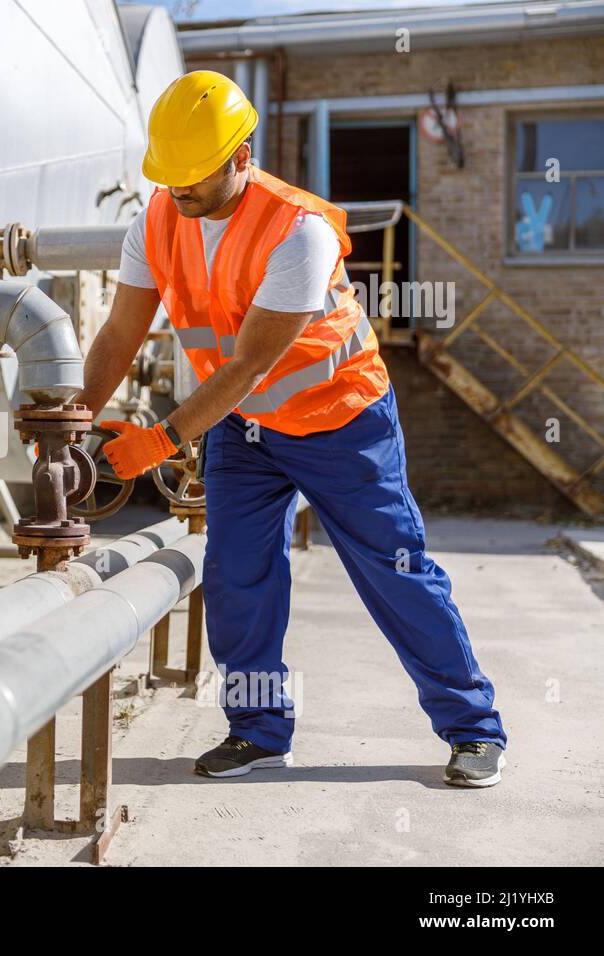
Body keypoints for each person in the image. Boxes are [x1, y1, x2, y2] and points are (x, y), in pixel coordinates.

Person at [74, 70, 507, 787]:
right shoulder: (153, 221)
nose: (178, 192)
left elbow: (247, 365)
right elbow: (121, 333)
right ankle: (258, 732)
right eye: (169, 177)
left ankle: (472, 727)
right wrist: (74, 418)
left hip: (344, 423)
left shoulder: (297, 230)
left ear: (242, 157)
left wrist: (163, 438)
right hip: (246, 431)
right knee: (238, 577)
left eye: (194, 177)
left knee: (395, 574)